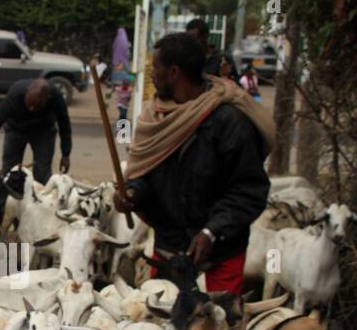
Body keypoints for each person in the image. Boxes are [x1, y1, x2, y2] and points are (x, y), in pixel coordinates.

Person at [114, 32, 274, 294]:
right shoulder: (155, 119)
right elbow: (146, 176)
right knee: (160, 325)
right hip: (170, 249)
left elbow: (249, 190)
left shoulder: (229, 122)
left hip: (220, 254)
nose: (151, 74)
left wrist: (212, 232)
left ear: (174, 72)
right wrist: (132, 193)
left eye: (156, 67)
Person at [0, 76, 72, 186]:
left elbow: (64, 124)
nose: (32, 109)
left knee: (42, 174)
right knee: (9, 173)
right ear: (27, 92)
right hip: (16, 130)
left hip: (43, 132)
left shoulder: (56, 97)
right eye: (29, 104)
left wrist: (66, 153)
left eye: (37, 106)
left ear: (47, 98)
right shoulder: (15, 95)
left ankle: (41, 199)